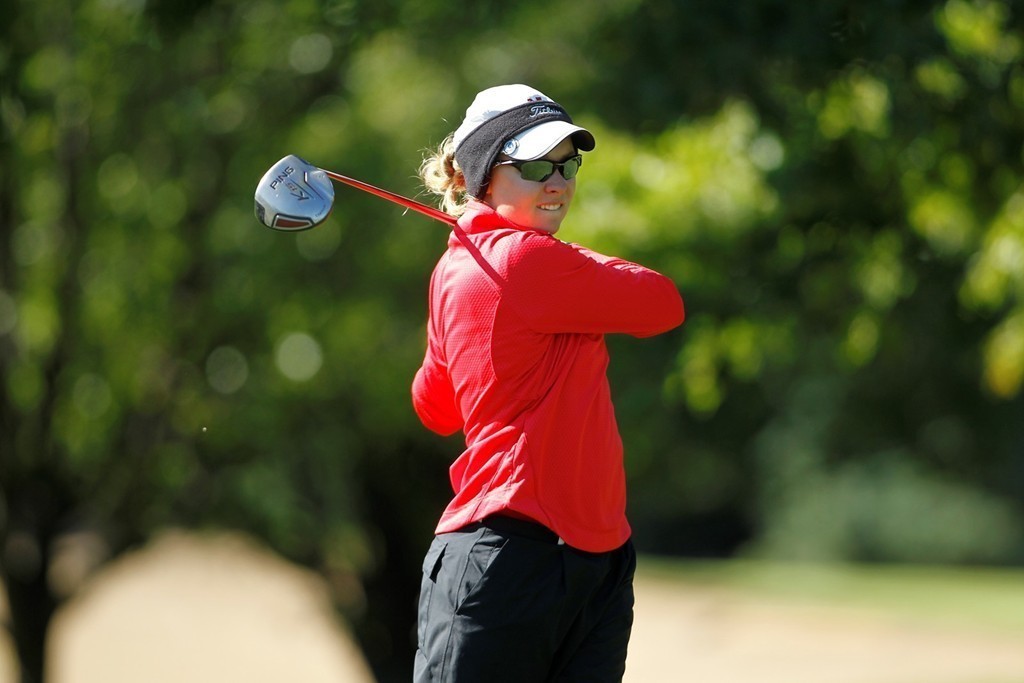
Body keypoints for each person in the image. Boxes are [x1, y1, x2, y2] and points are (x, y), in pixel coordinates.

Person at [411, 84, 685, 682]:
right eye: (534, 165)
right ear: (484, 173)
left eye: (568, 163)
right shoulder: (527, 261)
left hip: (591, 558)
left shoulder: (456, 267)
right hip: (510, 558)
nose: (557, 182)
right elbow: (662, 301)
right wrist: (558, 264)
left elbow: (435, 405)